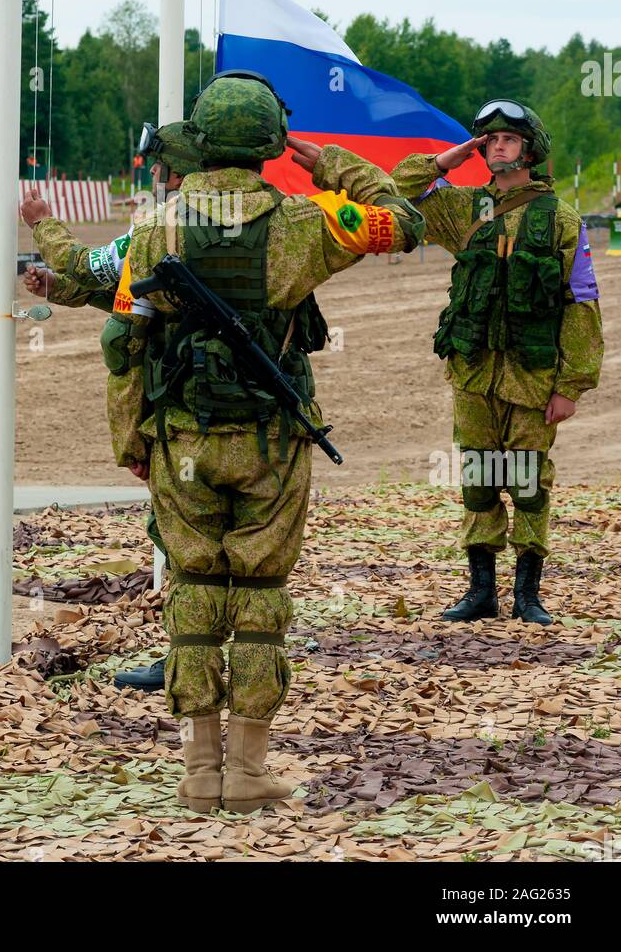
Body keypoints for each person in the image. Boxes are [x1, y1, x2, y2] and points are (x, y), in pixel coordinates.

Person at [105, 71, 425, 814]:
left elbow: (123, 338)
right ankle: (247, 773)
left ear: (203, 141)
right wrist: (334, 164)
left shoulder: (155, 228)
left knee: (190, 594)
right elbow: (401, 218)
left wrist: (129, 437)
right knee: (256, 596)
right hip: (271, 443)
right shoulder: (308, 222)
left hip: (180, 438)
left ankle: (197, 774)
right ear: (268, 147)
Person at [392, 100, 603, 625]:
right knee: (479, 478)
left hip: (532, 376)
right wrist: (452, 157)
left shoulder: (560, 219)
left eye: (509, 138)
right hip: (473, 372)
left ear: (530, 150)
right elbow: (401, 188)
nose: (497, 145)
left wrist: (571, 385)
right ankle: (481, 589)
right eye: (490, 139)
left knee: (529, 480)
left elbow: (581, 303)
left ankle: (528, 594)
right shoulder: (466, 209)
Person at [19, 121, 203, 692]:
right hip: (245, 413)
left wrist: (41, 222)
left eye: (157, 166)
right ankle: (226, 662)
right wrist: (60, 290)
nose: (151, 175)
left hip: (183, 417)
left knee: (183, 538)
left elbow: (92, 268)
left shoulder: (158, 228)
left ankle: (189, 661)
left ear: (176, 170)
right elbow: (125, 288)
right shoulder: (247, 225)